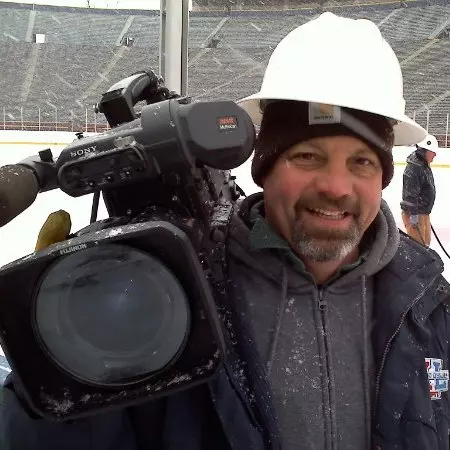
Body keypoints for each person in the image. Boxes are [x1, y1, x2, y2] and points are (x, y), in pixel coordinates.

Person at [1, 12, 450, 450]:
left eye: (362, 162)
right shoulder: (170, 288)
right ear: (264, 168)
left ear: (383, 177)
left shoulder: (428, 302)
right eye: (308, 157)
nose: (335, 186)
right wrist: (60, 355)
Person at [401, 134, 438, 247]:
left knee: (425, 245)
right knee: (419, 247)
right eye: (433, 152)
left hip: (422, 212)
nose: (435, 155)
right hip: (416, 213)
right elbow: (410, 193)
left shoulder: (423, 165)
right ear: (425, 151)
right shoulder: (414, 168)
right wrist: (413, 215)